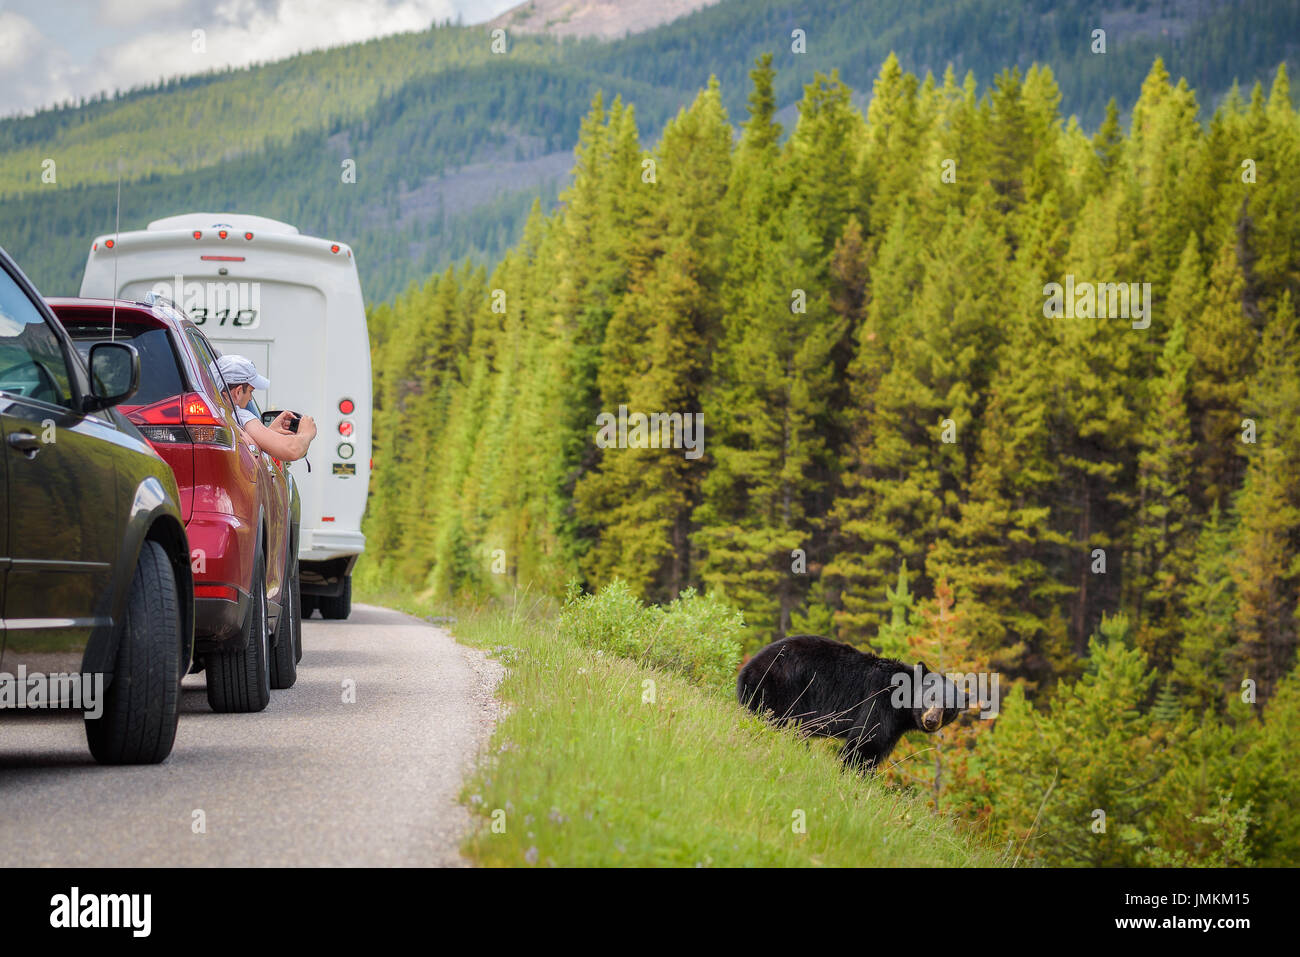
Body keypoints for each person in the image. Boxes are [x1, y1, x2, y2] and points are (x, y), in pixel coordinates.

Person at [215, 354, 317, 461]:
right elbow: (292, 450)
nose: (250, 398)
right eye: (251, 391)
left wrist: (269, 432)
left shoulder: (216, 412)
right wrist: (306, 433)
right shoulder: (240, 415)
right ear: (238, 391)